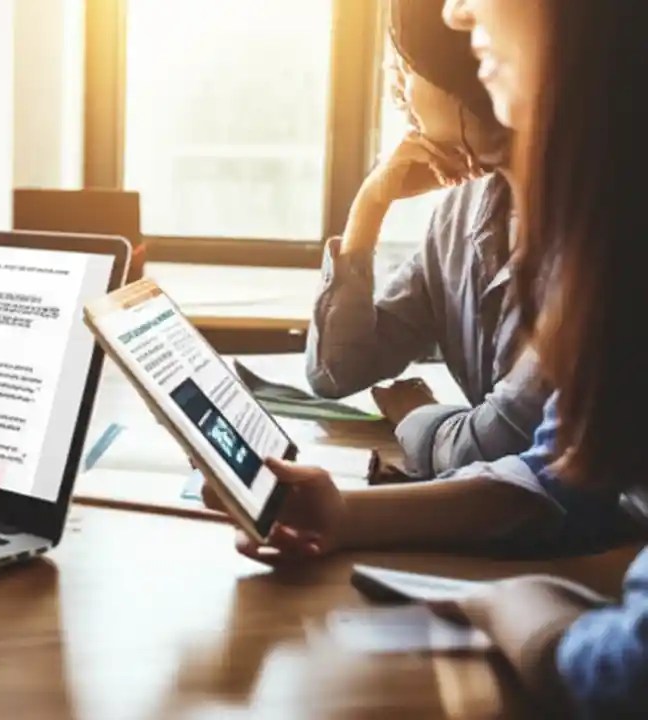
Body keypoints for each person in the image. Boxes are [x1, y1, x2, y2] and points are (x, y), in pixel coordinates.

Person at [216, 0, 648, 712]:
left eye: (403, 69)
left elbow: (624, 672)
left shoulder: (606, 235)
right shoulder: (480, 215)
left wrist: (522, 607)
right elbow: (556, 472)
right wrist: (339, 515)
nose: (455, 10)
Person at [306, 0, 546, 478]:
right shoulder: (462, 213)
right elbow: (336, 371)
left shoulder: (594, 223)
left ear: (467, 74)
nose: (396, 88)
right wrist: (369, 206)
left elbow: (492, 450)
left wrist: (413, 408)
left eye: (406, 66)